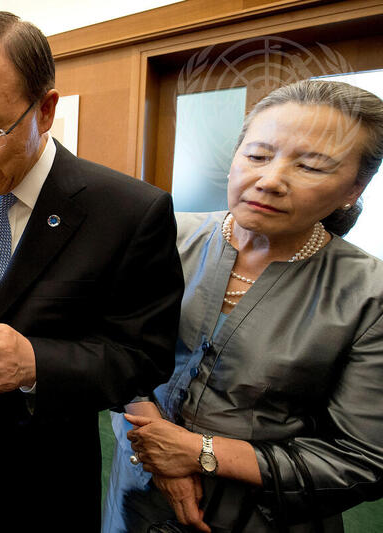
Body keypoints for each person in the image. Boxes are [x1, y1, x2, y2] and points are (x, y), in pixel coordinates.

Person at [0, 11, 184, 533]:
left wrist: (35, 363)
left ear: (45, 110)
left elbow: (144, 357)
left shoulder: (130, 211)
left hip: (42, 483)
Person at [102, 79, 383, 533]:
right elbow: (114, 349)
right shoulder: (163, 234)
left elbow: (362, 458)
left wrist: (197, 454)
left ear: (355, 188)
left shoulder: (370, 293)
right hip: (137, 487)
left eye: (310, 166)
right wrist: (159, 450)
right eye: (257, 156)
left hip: (262, 512)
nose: (269, 181)